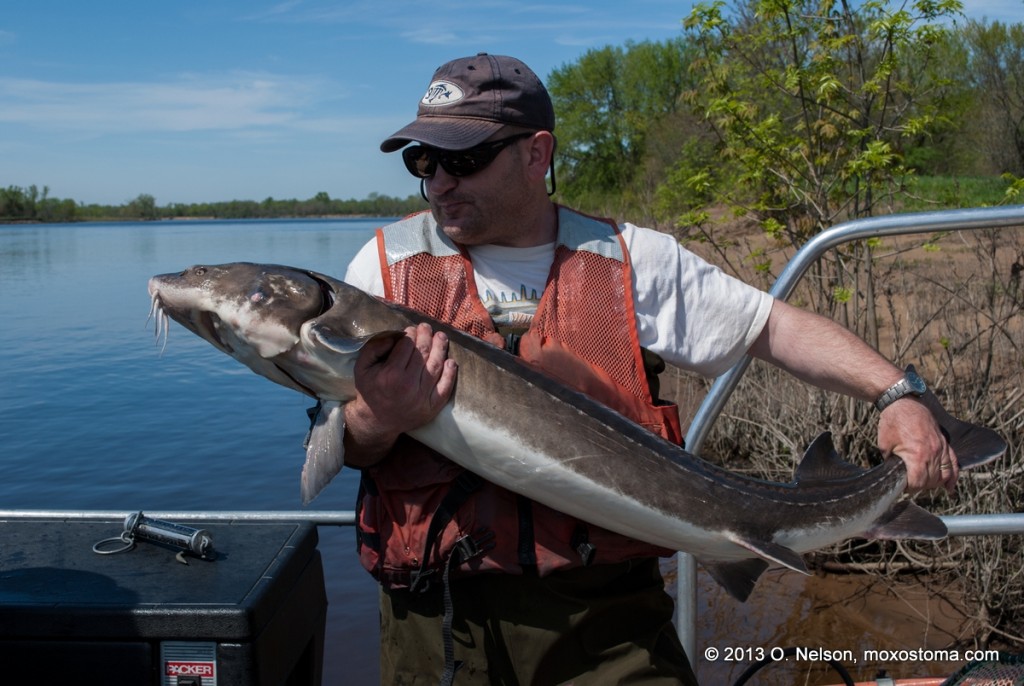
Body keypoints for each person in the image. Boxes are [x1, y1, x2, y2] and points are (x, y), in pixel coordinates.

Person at [341, 53, 957, 685]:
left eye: (464, 158)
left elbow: (775, 328)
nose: (440, 182)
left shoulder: (630, 258)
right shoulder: (382, 272)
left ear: (536, 154)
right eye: (424, 160)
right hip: (437, 625)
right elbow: (344, 442)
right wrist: (374, 418)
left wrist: (898, 394)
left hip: (606, 624)